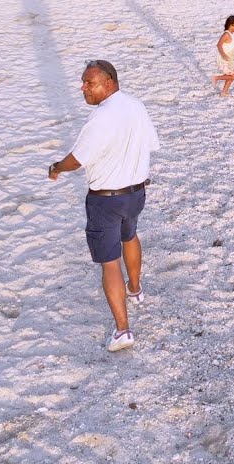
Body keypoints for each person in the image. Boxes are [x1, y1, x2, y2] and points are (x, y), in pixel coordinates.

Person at [48, 60, 160, 353]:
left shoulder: (100, 117)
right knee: (129, 236)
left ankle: (123, 331)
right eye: (83, 82)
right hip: (136, 193)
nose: (83, 88)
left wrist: (56, 167)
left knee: (110, 261)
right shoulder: (136, 105)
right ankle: (135, 290)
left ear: (109, 83)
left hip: (106, 200)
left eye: (89, 83)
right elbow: (149, 144)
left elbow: (77, 159)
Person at [211, 15, 234, 96]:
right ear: (231, 25)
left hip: (229, 60)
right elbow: (219, 45)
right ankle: (216, 78)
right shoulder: (226, 34)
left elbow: (232, 49)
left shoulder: (231, 35)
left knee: (231, 76)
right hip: (223, 60)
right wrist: (223, 54)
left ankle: (224, 92)